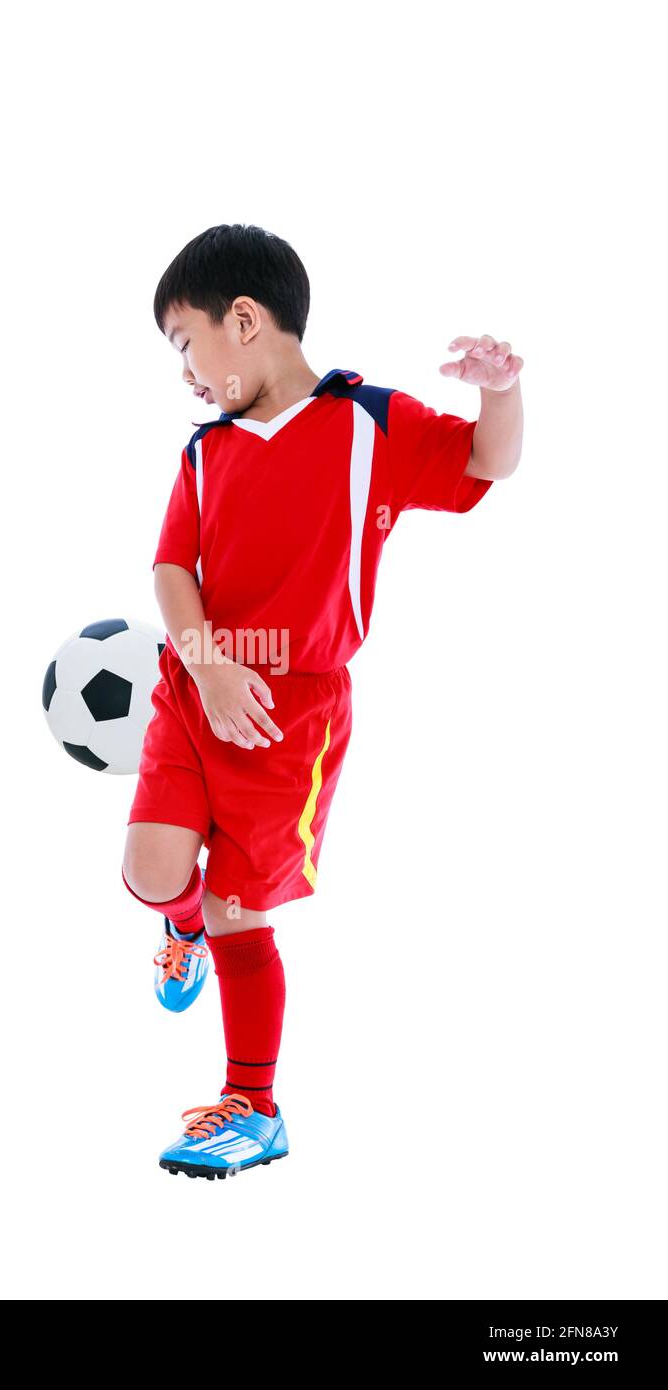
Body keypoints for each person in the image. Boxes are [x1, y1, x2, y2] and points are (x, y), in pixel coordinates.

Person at [121, 223, 524, 1179]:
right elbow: (173, 565)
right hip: (197, 684)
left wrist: (500, 391)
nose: (183, 372)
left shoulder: (368, 424)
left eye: (185, 343)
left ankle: (254, 1106)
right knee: (150, 874)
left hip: (289, 720)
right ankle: (176, 926)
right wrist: (208, 662)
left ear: (245, 320)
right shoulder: (204, 452)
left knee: (234, 909)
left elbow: (486, 463)